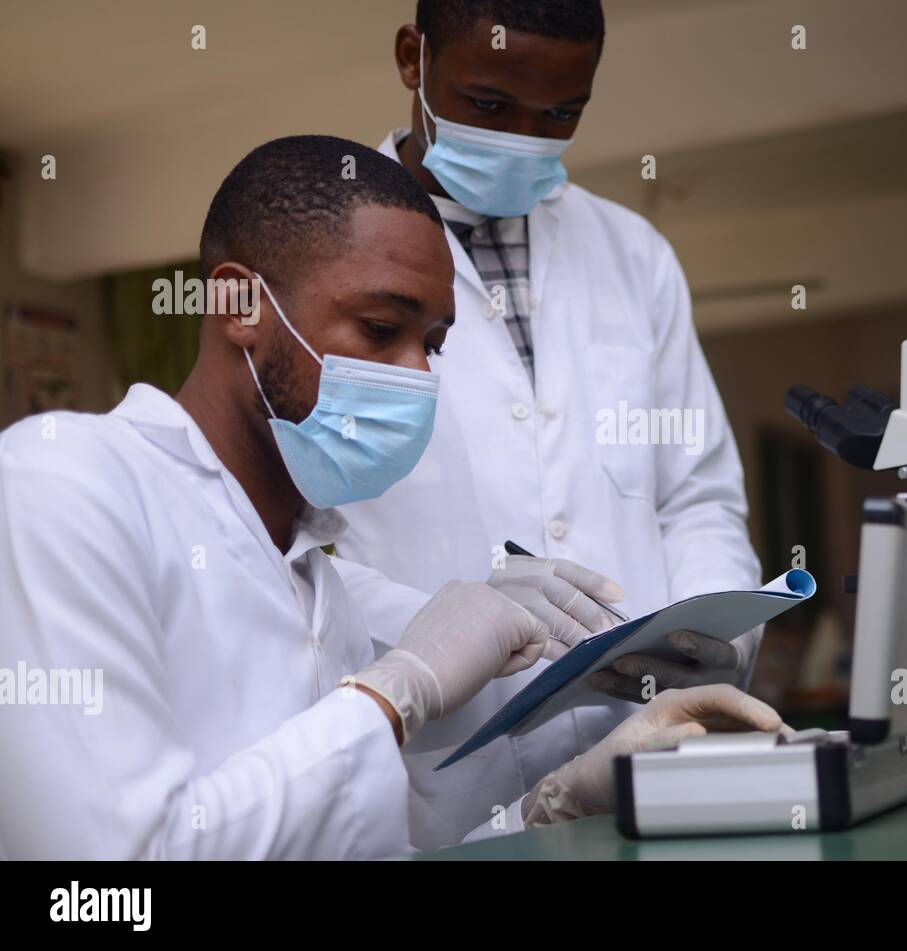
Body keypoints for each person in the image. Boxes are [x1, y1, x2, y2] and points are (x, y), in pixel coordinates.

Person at [0, 135, 783, 859]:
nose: (417, 377)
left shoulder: (314, 580)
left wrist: (556, 803)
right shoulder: (64, 480)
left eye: (434, 345)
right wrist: (389, 694)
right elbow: (98, 892)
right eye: (380, 329)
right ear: (240, 306)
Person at [333, 0, 765, 847]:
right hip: (438, 787)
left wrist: (713, 631)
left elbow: (698, 495)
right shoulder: (328, 250)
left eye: (561, 114)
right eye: (490, 105)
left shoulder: (633, 254)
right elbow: (297, 555)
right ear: (412, 58)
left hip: (640, 763)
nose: (526, 137)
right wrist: (451, 630)